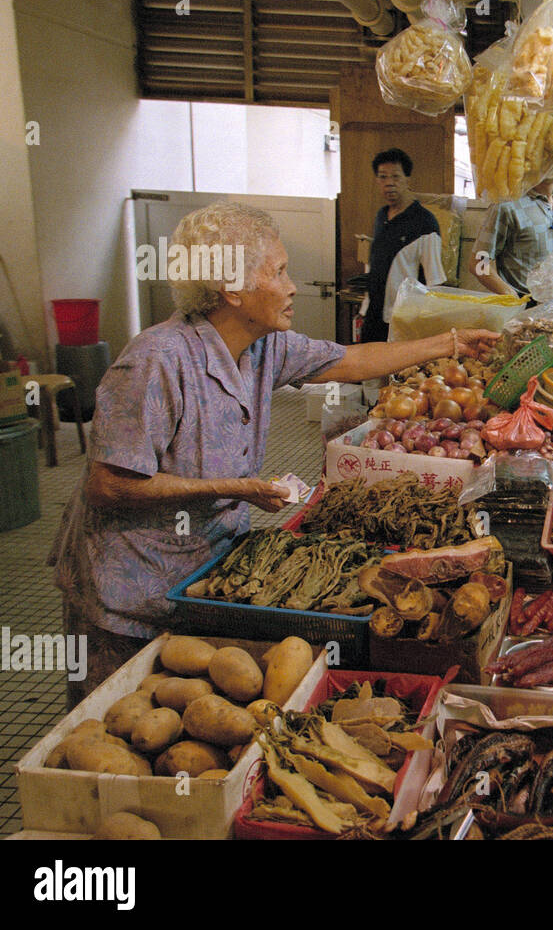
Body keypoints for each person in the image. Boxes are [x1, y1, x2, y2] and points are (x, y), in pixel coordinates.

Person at [49, 201, 499, 706]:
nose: (292, 287)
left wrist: (452, 342)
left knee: (190, 713)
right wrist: (235, 488)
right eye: (279, 272)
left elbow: (350, 360)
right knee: (115, 722)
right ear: (232, 289)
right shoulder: (158, 361)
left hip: (201, 577)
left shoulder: (264, 347)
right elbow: (109, 484)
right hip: (128, 588)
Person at [360, 148, 441, 342]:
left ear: (408, 180)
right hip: (373, 315)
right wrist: (365, 307)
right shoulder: (381, 216)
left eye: (396, 177)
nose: (389, 183)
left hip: (402, 321)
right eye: (383, 177)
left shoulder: (425, 223)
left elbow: (435, 280)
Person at [473, 173, 553, 296]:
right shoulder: (506, 206)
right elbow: (478, 262)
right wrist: (509, 294)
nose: (552, 164)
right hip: (523, 305)